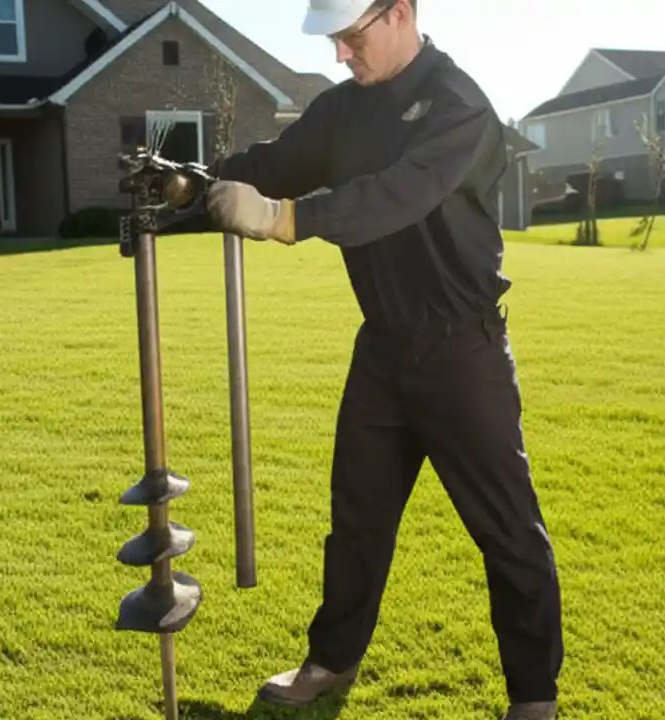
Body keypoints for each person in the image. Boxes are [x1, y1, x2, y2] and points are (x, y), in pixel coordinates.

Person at [205, 1, 563, 718]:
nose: (340, 54)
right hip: (383, 350)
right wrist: (193, 181)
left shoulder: (459, 107)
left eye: (350, 37)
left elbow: (394, 198)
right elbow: (274, 165)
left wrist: (283, 220)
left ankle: (533, 698)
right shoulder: (343, 111)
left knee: (506, 530)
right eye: (335, 40)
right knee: (358, 519)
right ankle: (331, 662)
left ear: (399, 11)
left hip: (462, 352)